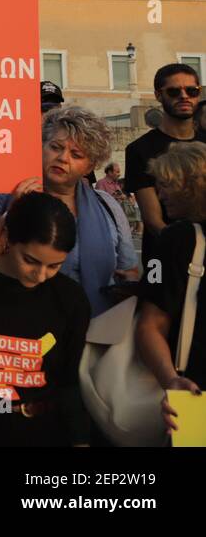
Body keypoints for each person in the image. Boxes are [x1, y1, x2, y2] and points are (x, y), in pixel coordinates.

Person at [0, 105, 138, 315]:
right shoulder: (1, 196)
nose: (63, 158)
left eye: (76, 154)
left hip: (96, 326)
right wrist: (13, 212)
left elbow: (128, 270)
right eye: (55, 147)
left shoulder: (106, 205)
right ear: (41, 147)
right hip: (19, 322)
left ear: (91, 166)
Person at [0, 193, 91, 446]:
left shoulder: (70, 297)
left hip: (46, 432)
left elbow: (71, 382)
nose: (41, 275)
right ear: (7, 237)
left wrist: (80, 441)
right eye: (30, 261)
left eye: (54, 266)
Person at [136, 141, 206, 436]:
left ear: (190, 186)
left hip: (193, 397)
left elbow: (149, 325)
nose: (160, 194)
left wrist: (171, 381)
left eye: (166, 184)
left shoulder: (176, 239)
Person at [125, 63, 206, 260]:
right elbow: (153, 220)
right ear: (158, 95)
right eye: (173, 91)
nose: (184, 96)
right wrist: (190, 249)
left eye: (192, 90)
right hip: (162, 257)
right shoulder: (140, 149)